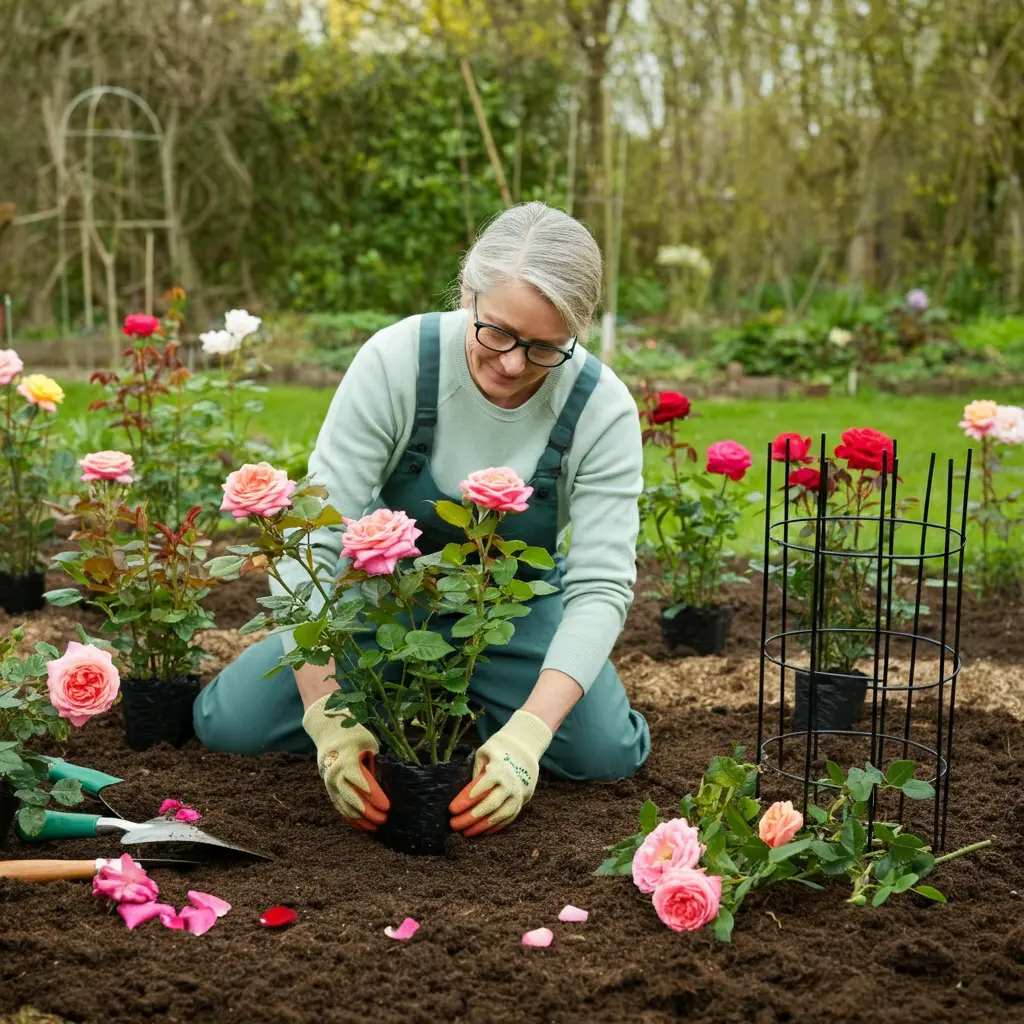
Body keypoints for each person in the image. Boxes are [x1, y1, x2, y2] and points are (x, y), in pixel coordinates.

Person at [193, 201, 650, 837]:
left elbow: (601, 586)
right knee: (231, 726)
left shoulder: (601, 408)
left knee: (602, 752)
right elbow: (317, 540)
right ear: (468, 292)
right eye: (496, 332)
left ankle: (487, 709)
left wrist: (527, 737)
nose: (514, 364)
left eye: (545, 347)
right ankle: (410, 702)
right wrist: (328, 716)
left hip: (509, 611)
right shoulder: (398, 362)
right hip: (381, 603)